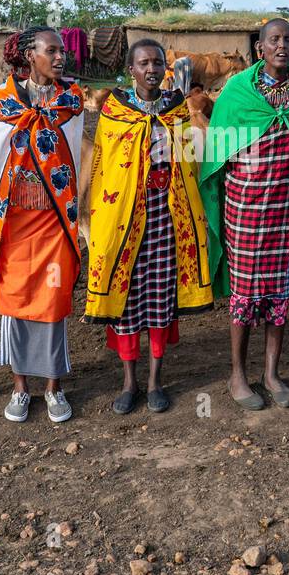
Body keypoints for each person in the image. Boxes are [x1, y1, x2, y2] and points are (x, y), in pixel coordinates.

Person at [84, 39, 213, 413]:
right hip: (124, 218)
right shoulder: (114, 112)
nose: (152, 69)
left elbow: (189, 162)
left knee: (160, 299)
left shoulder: (177, 110)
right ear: (131, 70)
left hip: (166, 216)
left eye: (158, 62)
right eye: (144, 63)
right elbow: (106, 169)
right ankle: (129, 382)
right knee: (126, 303)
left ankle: (156, 381)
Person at [0, 26, 85, 424]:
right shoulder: (3, 103)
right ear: (28, 55)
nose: (60, 57)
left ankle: (53, 387)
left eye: (61, 51)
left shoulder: (71, 101)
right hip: (14, 222)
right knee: (15, 301)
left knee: (52, 303)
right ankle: (20, 388)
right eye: (51, 51)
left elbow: (74, 162)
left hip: (53, 220)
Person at [200, 18, 289, 409]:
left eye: (288, 40)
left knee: (280, 290)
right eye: (274, 40)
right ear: (260, 48)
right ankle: (237, 374)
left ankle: (271, 373)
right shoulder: (238, 91)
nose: (282, 45)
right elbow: (217, 148)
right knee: (246, 291)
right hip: (246, 205)